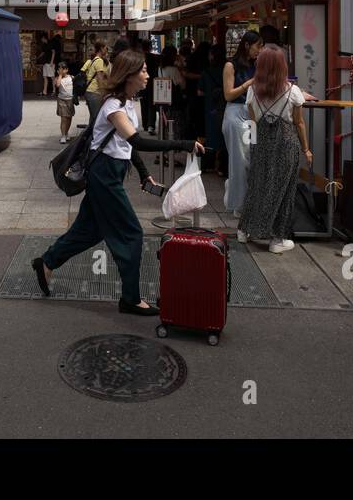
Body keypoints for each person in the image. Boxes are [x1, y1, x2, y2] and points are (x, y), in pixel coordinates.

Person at [31, 50, 204, 315]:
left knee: (89, 230)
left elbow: (127, 144)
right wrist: (185, 144)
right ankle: (131, 298)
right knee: (132, 233)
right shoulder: (112, 106)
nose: (147, 75)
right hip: (104, 175)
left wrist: (144, 173)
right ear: (130, 75)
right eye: (144, 71)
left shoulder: (126, 102)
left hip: (110, 172)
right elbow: (138, 141)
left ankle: (47, 262)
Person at [237, 44, 311, 253]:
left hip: (260, 143)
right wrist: (306, 149)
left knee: (257, 185)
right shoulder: (294, 92)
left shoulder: (252, 91)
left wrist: (252, 144)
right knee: (283, 190)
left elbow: (252, 121)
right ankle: (277, 239)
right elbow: (299, 123)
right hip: (287, 144)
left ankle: (244, 230)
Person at [221, 31, 262, 217]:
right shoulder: (231, 65)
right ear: (247, 45)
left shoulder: (257, 65)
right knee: (239, 160)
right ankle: (239, 204)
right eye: (257, 46)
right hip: (235, 113)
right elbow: (228, 94)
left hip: (252, 114)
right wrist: (249, 84)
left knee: (251, 158)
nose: (259, 50)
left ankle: (238, 193)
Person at [200, 43, 227, 175]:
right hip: (225, 107)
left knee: (211, 136)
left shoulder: (206, 72)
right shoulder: (227, 69)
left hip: (210, 107)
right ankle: (222, 166)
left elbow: (199, 92)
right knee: (223, 136)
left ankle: (208, 164)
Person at [80, 41, 110, 129]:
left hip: (89, 91)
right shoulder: (99, 60)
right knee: (97, 118)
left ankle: (89, 138)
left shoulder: (93, 60)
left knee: (93, 117)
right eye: (105, 48)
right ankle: (93, 139)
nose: (106, 50)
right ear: (101, 48)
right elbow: (99, 78)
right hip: (94, 92)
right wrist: (103, 92)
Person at [54, 61, 75, 144]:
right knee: (63, 118)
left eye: (63, 69)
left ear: (67, 70)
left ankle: (66, 133)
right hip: (62, 100)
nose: (61, 71)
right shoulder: (58, 78)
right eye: (59, 69)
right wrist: (59, 75)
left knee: (69, 117)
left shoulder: (72, 77)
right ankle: (63, 135)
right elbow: (58, 85)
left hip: (70, 100)